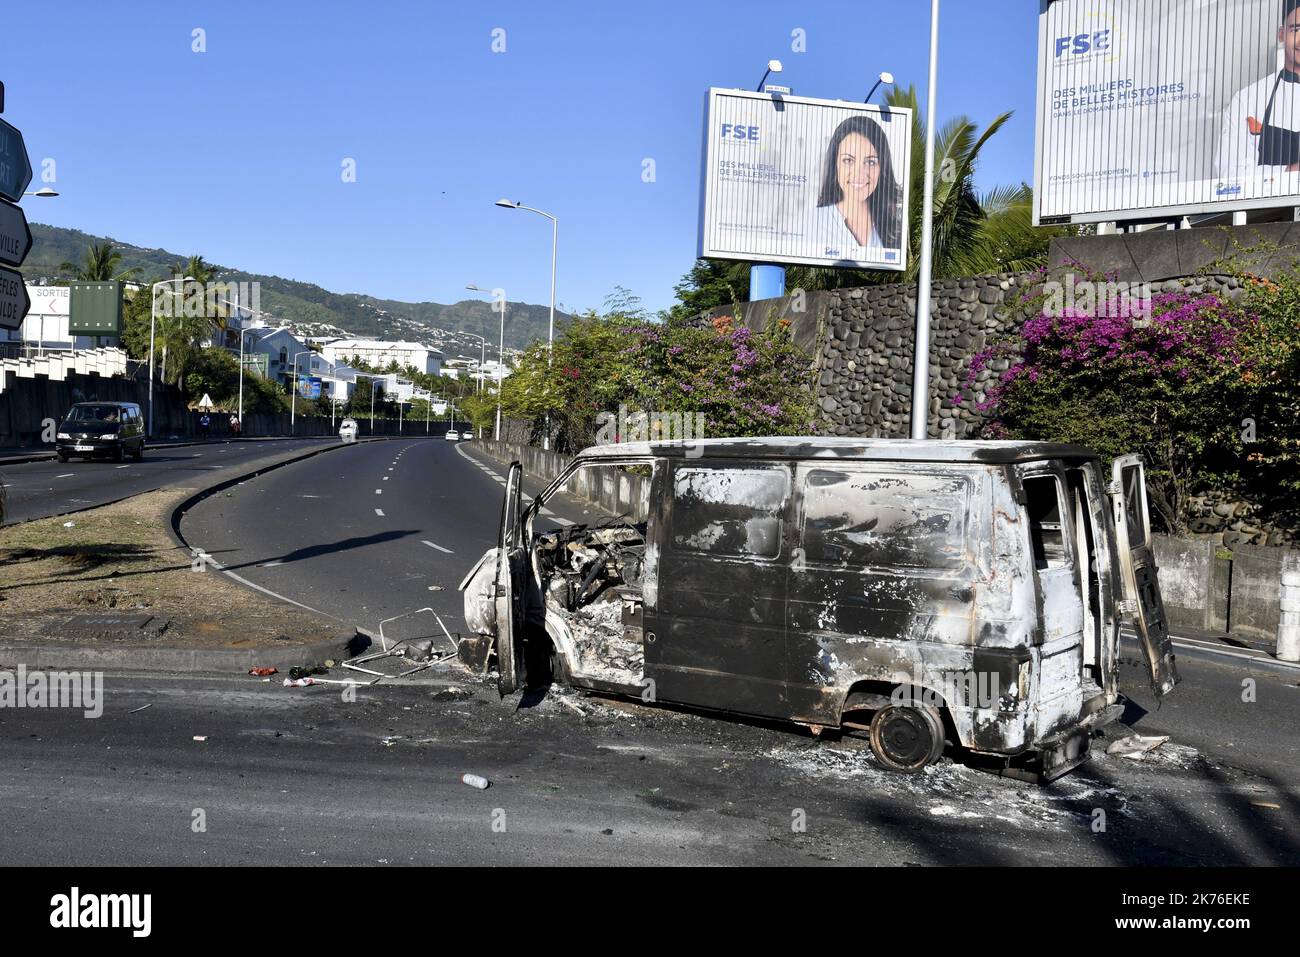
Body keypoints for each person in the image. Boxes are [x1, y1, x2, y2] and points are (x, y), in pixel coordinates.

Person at [1216, 0, 1300, 179]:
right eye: (1296, 30)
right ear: (1281, 34)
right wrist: (1291, 172)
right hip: (1273, 208)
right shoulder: (1248, 99)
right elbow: (1229, 174)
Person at [810, 114, 903, 255]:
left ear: (882, 167)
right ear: (835, 164)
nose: (859, 174)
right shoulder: (812, 223)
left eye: (870, 162)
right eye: (848, 160)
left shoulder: (894, 230)